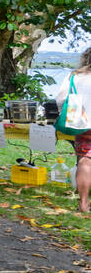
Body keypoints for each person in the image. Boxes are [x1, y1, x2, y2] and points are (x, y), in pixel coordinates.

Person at [54, 48, 91, 213]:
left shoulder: (74, 76)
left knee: (84, 162)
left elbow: (60, 99)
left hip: (81, 124)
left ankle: (83, 203)